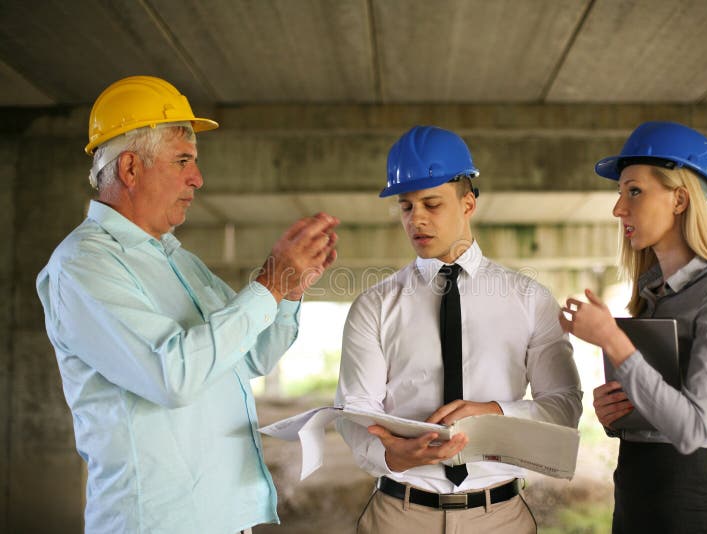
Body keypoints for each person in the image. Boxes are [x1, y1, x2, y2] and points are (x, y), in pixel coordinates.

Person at [35, 75, 339, 534]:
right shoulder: (83, 266)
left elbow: (254, 355)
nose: (197, 178)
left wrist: (289, 290)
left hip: (223, 520)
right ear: (131, 169)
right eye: (182, 161)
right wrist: (270, 285)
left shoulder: (179, 259)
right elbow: (172, 376)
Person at [335, 125, 582, 534]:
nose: (417, 219)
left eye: (432, 204)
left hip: (499, 517)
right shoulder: (373, 306)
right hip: (399, 515)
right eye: (406, 206)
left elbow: (563, 407)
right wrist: (396, 457)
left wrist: (494, 413)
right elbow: (354, 411)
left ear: (468, 204)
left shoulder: (530, 299)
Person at [559, 121, 707, 533]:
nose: (618, 208)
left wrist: (611, 338)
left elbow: (693, 429)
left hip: (683, 502)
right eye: (620, 193)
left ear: (679, 199)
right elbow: (658, 403)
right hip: (632, 489)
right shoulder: (649, 290)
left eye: (634, 191)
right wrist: (616, 417)